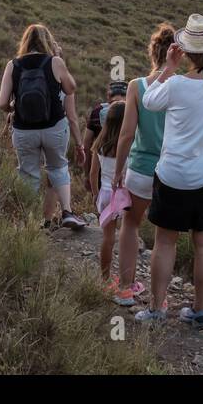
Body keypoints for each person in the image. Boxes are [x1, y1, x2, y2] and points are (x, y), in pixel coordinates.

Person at [134, 14, 203, 329]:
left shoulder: (177, 84)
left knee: (165, 242)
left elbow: (149, 101)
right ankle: (199, 311)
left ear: (186, 52)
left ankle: (156, 310)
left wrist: (168, 67)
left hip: (173, 175)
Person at [0, 23, 85, 230]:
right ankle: (67, 213)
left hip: (24, 129)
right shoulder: (54, 61)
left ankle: (27, 220)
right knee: (58, 167)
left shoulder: (13, 65)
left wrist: (12, 107)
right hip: (54, 126)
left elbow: (1, 102)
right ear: (47, 41)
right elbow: (71, 88)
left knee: (28, 173)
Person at [110, 23, 176, 306]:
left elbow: (126, 134)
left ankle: (125, 289)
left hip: (139, 168)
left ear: (152, 52)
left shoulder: (136, 86)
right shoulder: (182, 85)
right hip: (171, 172)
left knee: (130, 224)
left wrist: (117, 170)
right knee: (165, 238)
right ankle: (158, 302)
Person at [87, 101, 127, 288]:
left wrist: (95, 194)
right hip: (124, 196)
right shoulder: (128, 144)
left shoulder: (100, 143)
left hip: (105, 194)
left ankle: (105, 278)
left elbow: (93, 172)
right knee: (128, 237)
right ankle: (128, 280)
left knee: (108, 239)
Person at [82, 81, 128, 174]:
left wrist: (87, 173)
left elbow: (86, 144)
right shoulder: (133, 110)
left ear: (108, 96)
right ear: (128, 95)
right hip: (127, 168)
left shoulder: (97, 111)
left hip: (101, 167)